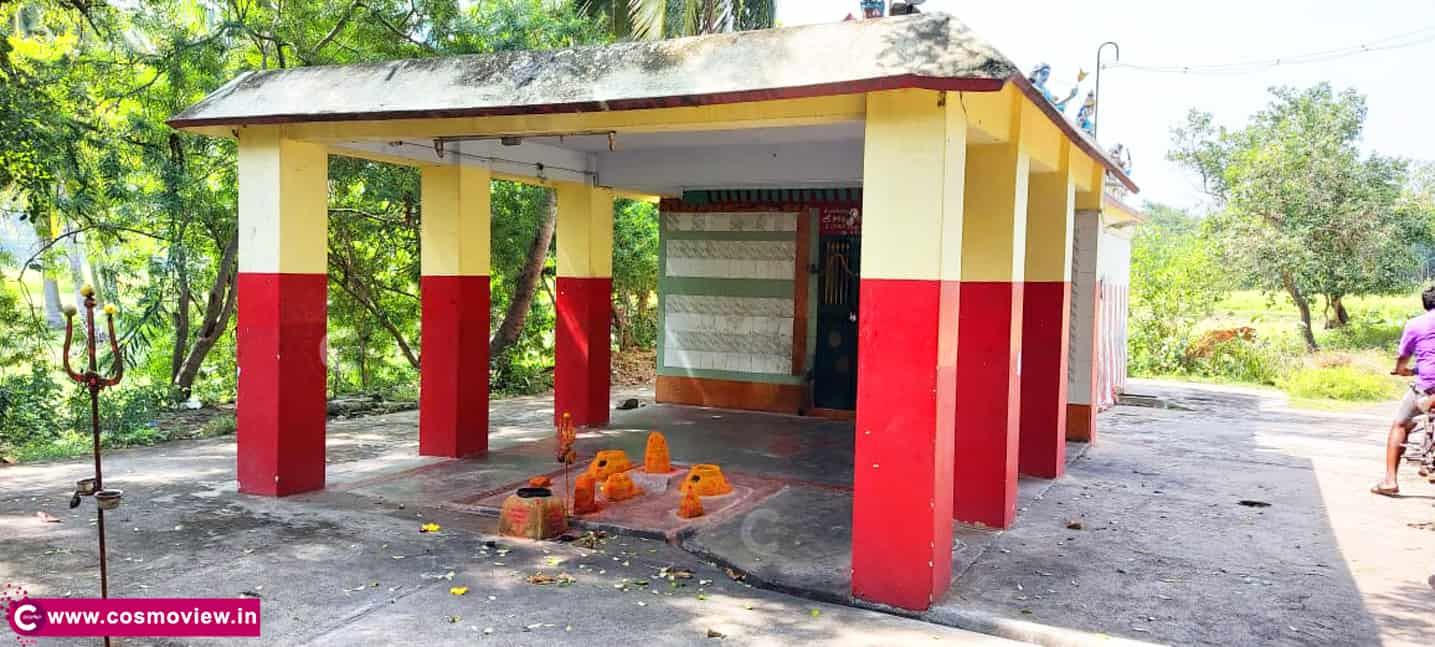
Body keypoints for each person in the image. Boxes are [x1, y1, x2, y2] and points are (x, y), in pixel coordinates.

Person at [1374, 285, 1435, 496]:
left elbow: (1403, 358)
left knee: (1400, 423)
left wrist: (1402, 370)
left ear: (1425, 304)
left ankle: (1390, 480)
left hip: (1427, 387)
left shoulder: (1415, 324)